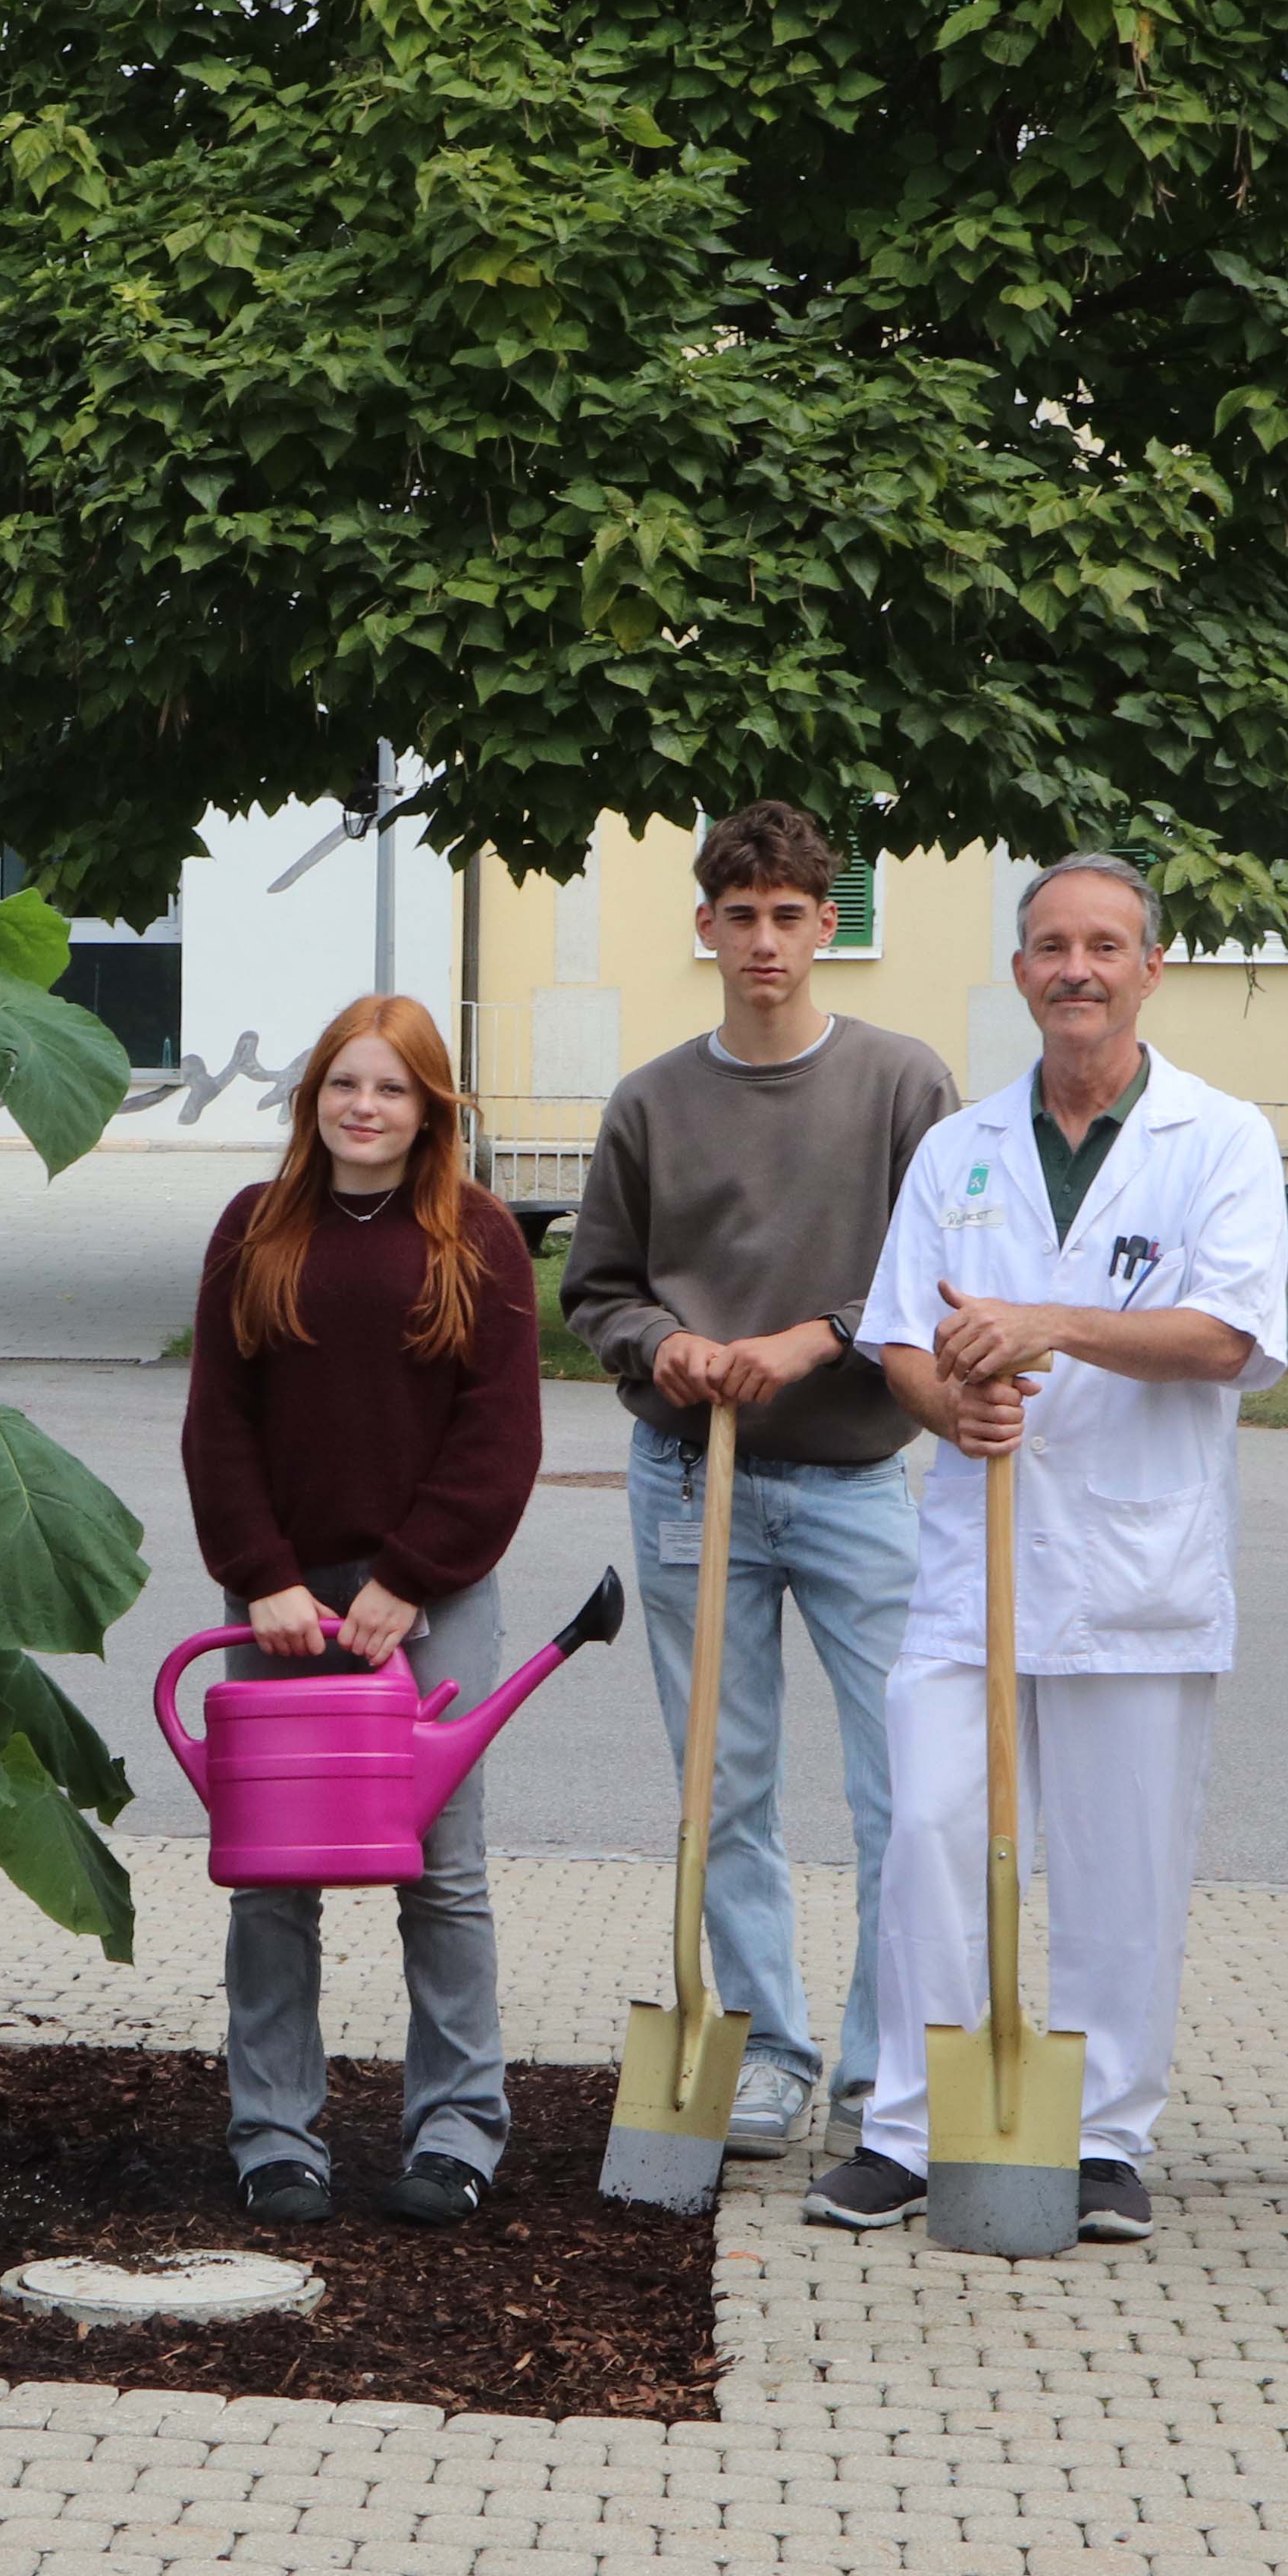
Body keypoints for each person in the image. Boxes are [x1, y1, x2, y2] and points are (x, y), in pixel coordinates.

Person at [811, 852, 1288, 2246]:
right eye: (1048, 946)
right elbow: (899, 1335)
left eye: (1104, 945)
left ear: (1153, 966)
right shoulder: (958, 1146)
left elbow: (1237, 1338)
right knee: (935, 1833)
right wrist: (944, 1399)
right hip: (974, 1555)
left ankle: (1101, 2138)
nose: (1075, 968)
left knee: (1119, 1862)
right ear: (1019, 971)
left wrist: (1048, 1325)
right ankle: (912, 2124)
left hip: (1138, 1566)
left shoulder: (1221, 1138)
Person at [559, 801, 958, 2157]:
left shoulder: (903, 1084)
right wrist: (665, 1345)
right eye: (741, 917)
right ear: (706, 928)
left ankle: (880, 2061)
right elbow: (596, 1287)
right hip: (692, 1478)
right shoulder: (653, 1100)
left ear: (827, 925)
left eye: (791, 915)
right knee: (722, 1786)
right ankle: (771, 2047)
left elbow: (935, 1269)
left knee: (902, 1781)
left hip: (855, 1477)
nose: (766, 941)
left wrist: (814, 1337)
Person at [181, 996, 544, 2229]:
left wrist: (409, 1578)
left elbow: (499, 1438)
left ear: (430, 1106)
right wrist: (265, 1574)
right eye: (346, 1085)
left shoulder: (480, 1239)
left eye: (392, 1089)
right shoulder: (256, 1230)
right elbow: (219, 1426)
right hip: (279, 1600)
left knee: (440, 1871)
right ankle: (275, 2133)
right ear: (314, 1099)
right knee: (271, 1881)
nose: (367, 1109)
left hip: (427, 1603)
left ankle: (457, 2129)